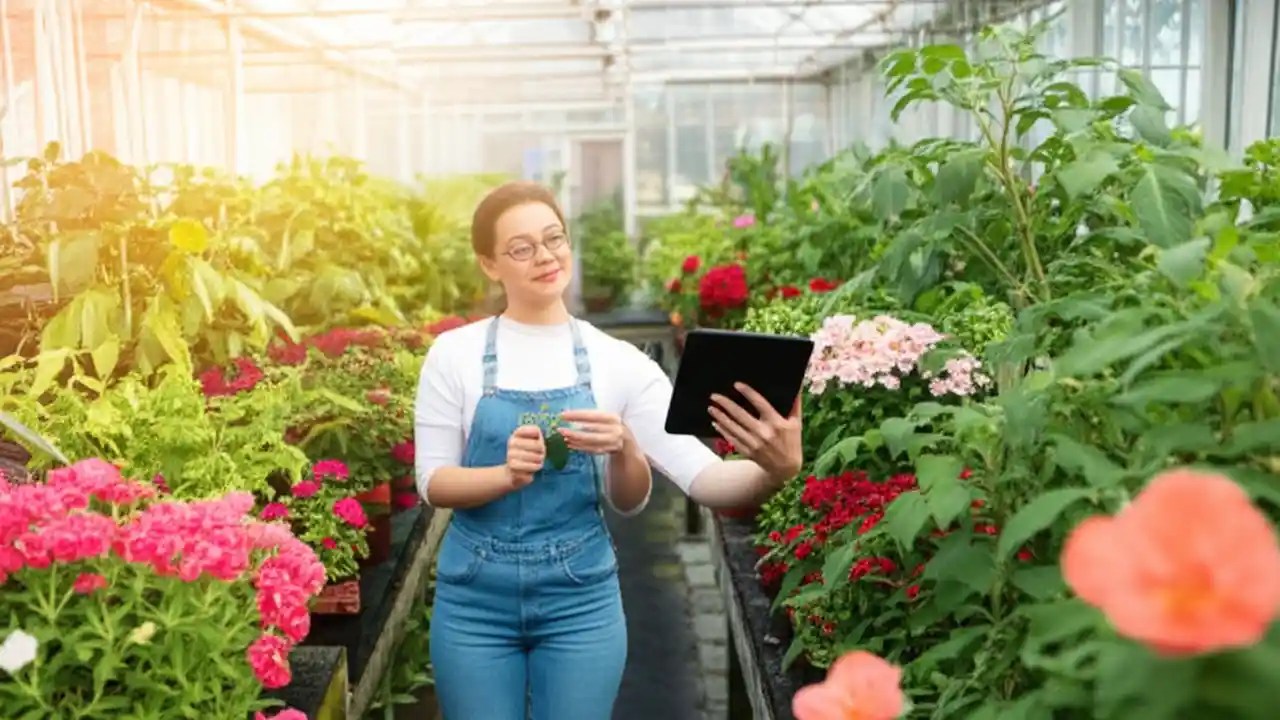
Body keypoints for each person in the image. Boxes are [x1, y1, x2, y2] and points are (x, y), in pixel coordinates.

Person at [414, 180, 803, 720]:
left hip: (580, 599)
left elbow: (699, 482)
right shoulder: (454, 355)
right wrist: (504, 475)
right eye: (521, 248)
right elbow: (432, 483)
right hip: (474, 599)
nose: (544, 256)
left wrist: (773, 469)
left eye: (554, 238)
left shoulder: (617, 361)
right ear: (489, 264)